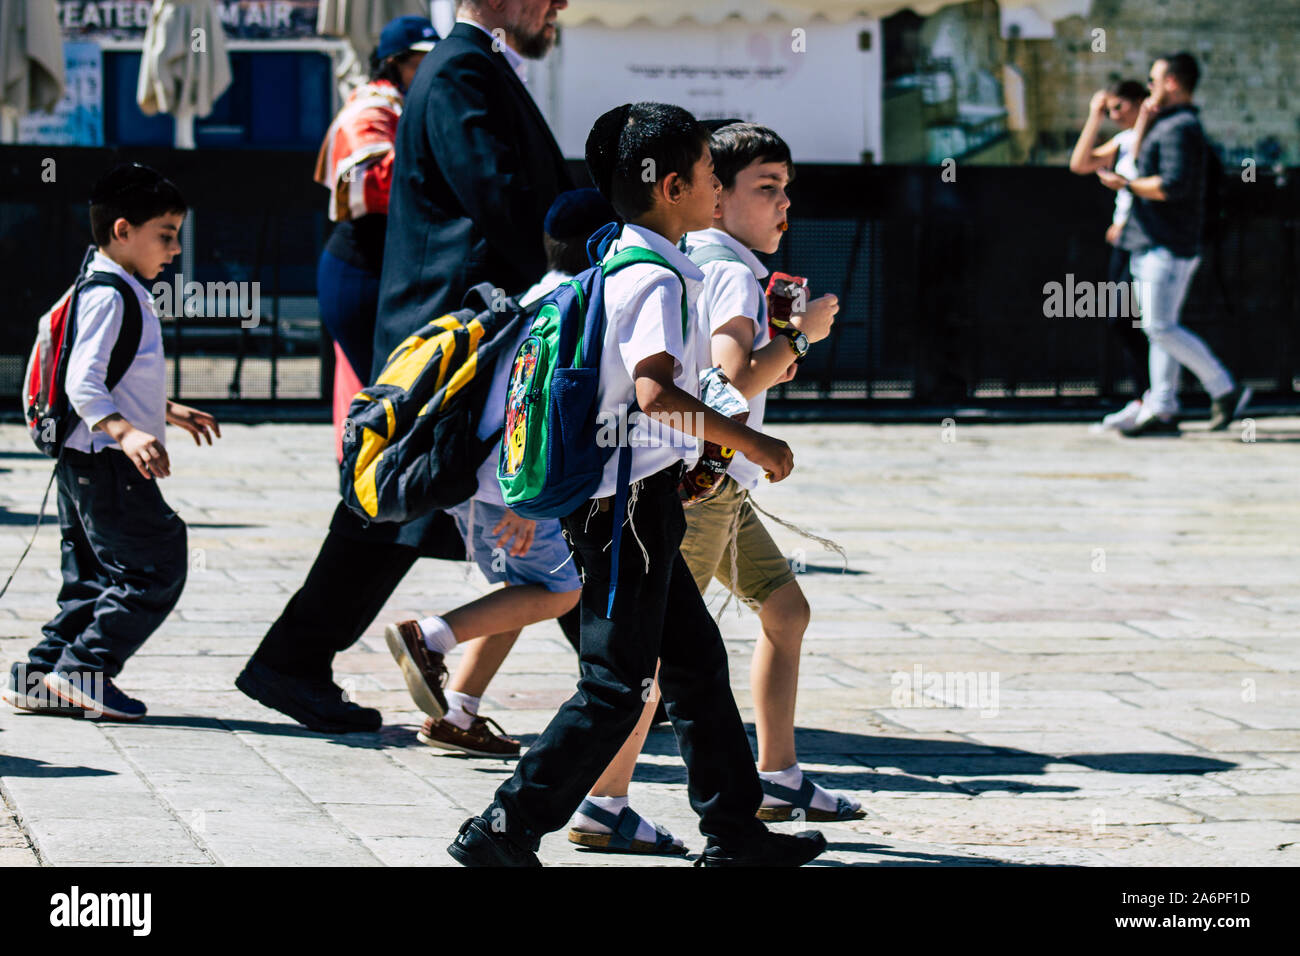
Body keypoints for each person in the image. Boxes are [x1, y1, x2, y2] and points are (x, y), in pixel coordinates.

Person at [446, 103, 827, 868]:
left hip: (643, 497)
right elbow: (654, 393)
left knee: (695, 666)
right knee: (615, 686)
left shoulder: (626, 258)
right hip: (623, 512)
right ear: (673, 186)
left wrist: (680, 463)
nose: (721, 188)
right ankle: (504, 826)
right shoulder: (654, 277)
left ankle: (735, 832)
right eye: (713, 176)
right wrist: (749, 438)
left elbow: (636, 402)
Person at [236, 0, 576, 734]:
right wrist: (578, 266)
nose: (561, 5)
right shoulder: (461, 71)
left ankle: (643, 674)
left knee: (408, 508)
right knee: (410, 504)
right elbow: (502, 202)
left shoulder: (470, 67)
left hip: (465, 329)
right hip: (462, 334)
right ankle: (646, 676)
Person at [567, 122, 856, 855]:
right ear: (712, 197)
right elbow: (728, 388)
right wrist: (801, 338)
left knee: (784, 611)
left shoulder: (705, 259)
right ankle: (603, 800)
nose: (784, 205)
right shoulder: (723, 269)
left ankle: (777, 773)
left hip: (716, 488)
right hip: (704, 491)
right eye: (767, 188)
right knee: (655, 664)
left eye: (787, 188)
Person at [385, 189, 615, 758]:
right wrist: (525, 500)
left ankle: (458, 711)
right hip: (510, 479)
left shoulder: (530, 299)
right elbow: (532, 409)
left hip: (479, 473)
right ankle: (429, 637)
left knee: (522, 589)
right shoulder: (573, 309)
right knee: (559, 591)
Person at [2, 164, 221, 721]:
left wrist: (164, 410)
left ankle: (41, 675)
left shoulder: (103, 283)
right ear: (123, 230)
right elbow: (82, 381)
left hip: (85, 462)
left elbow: (107, 374)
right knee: (157, 564)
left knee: (94, 577)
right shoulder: (111, 295)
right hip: (107, 463)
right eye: (165, 235)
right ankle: (85, 671)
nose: (173, 250)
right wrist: (125, 430)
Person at [1097, 52, 1251, 437]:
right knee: (1158, 327)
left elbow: (1172, 185)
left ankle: (1224, 388)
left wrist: (1125, 184)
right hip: (1150, 241)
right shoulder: (1166, 124)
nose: (1148, 87)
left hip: (1167, 244)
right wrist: (1145, 123)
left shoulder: (1181, 127)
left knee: (1160, 325)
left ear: (1172, 83)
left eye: (1153, 80)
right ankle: (1163, 406)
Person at [313, 15, 438, 460]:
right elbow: (368, 183)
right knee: (378, 393)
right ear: (392, 63)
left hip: (378, 269)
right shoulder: (371, 106)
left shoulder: (407, 106)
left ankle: (365, 496)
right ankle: (364, 498)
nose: (427, 69)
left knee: (372, 391)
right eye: (417, 61)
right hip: (358, 271)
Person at [1069, 80, 1154, 431]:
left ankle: (1152, 396)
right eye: (1111, 110)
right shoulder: (1121, 141)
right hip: (1125, 238)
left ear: (1138, 103)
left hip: (1145, 237)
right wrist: (1094, 115)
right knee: (1121, 315)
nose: (1115, 115)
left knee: (1146, 320)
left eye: (1119, 107)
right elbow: (1080, 163)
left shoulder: (1151, 137)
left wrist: (1148, 109)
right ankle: (1145, 395)